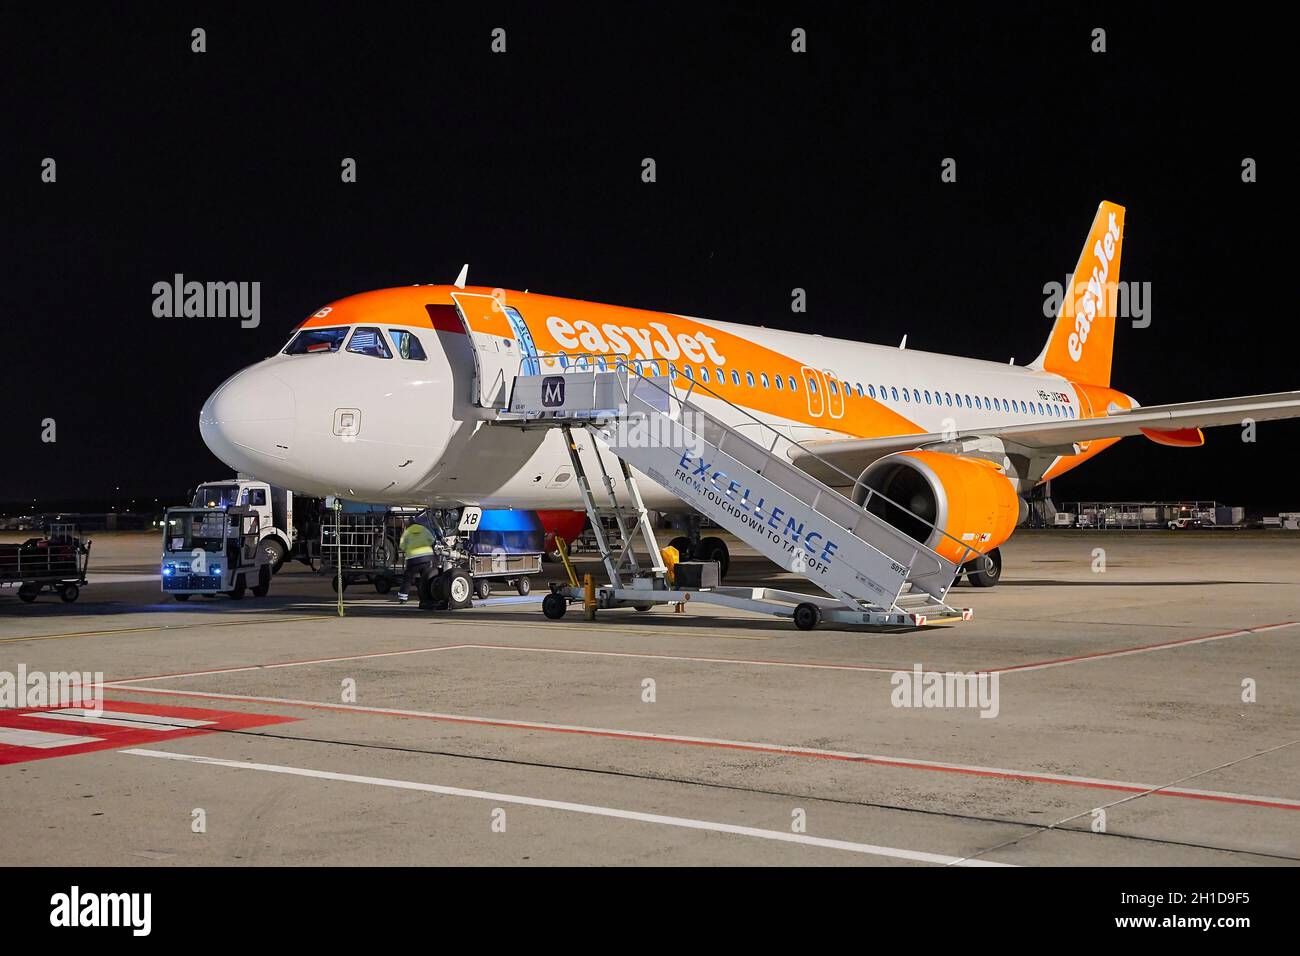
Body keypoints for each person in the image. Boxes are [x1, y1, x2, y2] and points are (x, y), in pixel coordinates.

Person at [397, 514, 442, 603]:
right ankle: (426, 598)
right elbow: (432, 540)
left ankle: (403, 598)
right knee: (425, 578)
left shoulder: (407, 532)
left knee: (408, 579)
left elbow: (402, 546)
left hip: (412, 559)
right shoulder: (424, 529)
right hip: (426, 558)